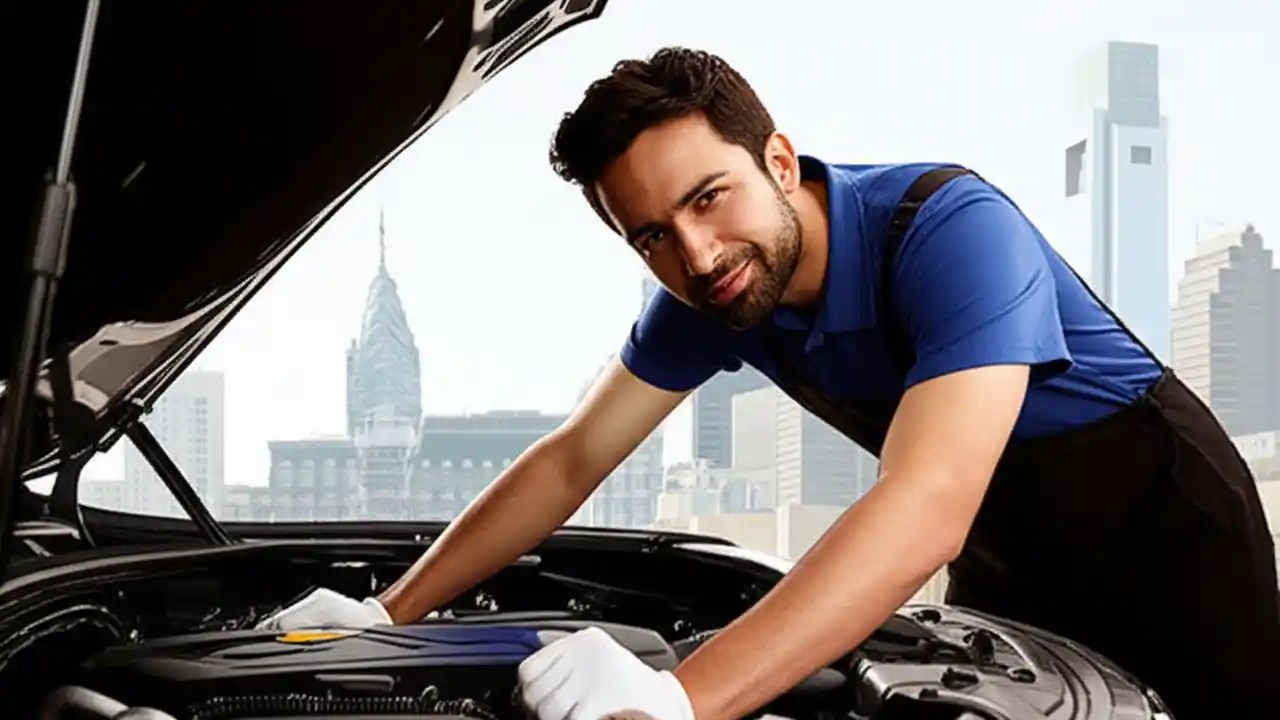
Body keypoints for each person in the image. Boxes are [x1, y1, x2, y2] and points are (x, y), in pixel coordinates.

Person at [259, 47, 1279, 719]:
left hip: (1165, 535)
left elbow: (923, 506)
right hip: (1007, 546)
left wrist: (681, 700)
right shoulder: (708, 295)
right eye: (651, 235)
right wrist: (386, 613)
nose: (696, 255)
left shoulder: (950, 228)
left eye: (709, 198)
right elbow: (569, 459)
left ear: (779, 160)